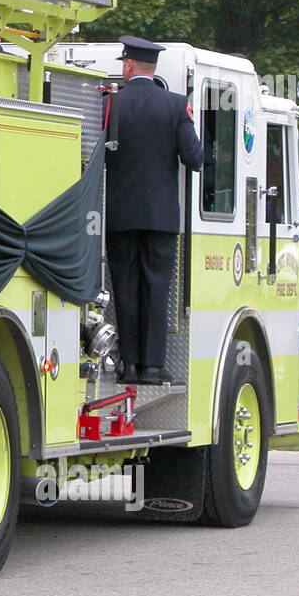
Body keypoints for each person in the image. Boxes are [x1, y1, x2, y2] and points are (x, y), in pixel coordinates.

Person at [105, 35, 203, 385]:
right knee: (156, 289)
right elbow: (194, 158)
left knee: (125, 289)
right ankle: (153, 366)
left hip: (119, 215)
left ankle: (129, 364)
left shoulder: (111, 103)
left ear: (129, 65)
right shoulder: (175, 105)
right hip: (160, 217)